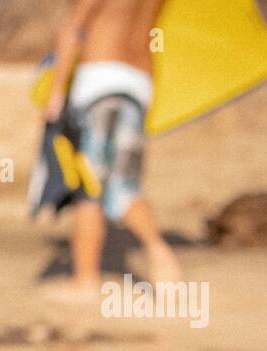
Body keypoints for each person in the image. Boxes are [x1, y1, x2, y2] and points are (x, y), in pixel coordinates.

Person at [44, 0, 182, 291]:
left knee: (90, 184)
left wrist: (56, 90)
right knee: (125, 180)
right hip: (140, 81)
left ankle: (87, 280)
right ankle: (157, 250)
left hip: (100, 81)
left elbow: (74, 27)